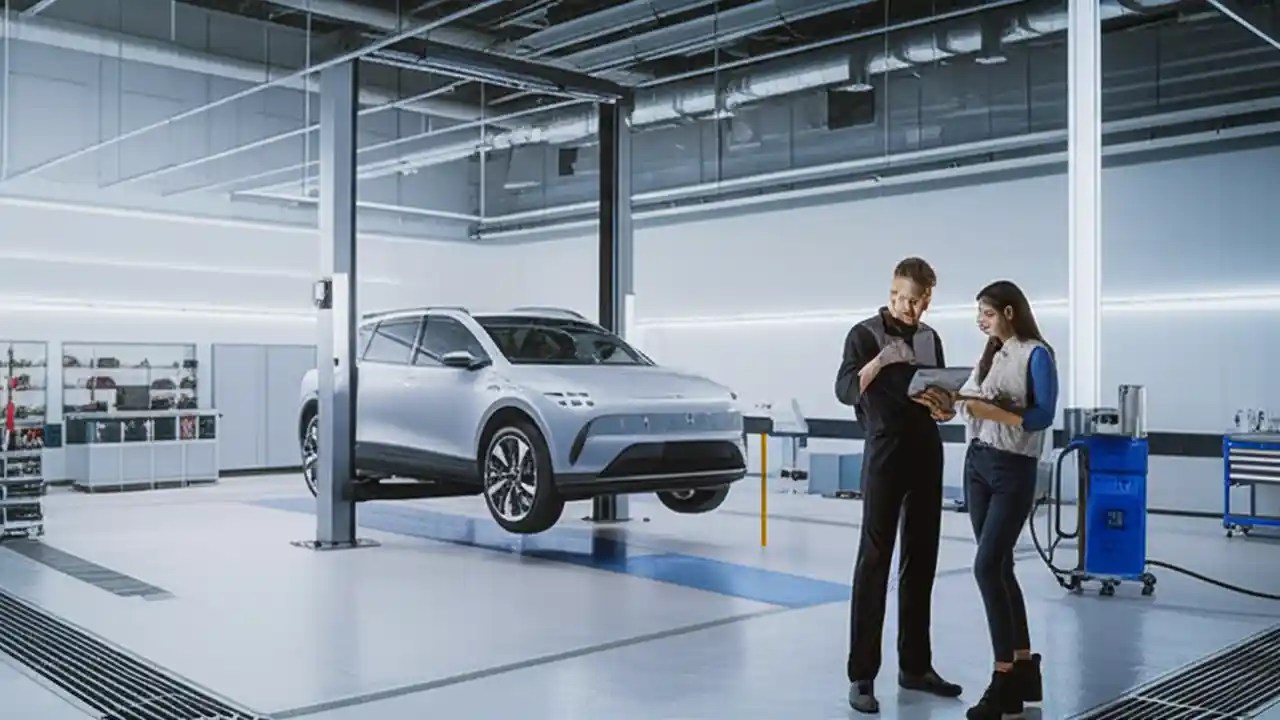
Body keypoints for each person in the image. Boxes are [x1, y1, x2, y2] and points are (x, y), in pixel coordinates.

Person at [834, 257, 963, 714]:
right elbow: (846, 390)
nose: (911, 309)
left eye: (920, 302)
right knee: (874, 560)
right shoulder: (864, 334)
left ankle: (915, 666)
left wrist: (946, 408)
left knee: (922, 559)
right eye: (905, 300)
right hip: (885, 453)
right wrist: (882, 360)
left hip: (926, 450)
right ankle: (862, 676)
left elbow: (940, 398)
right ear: (892, 292)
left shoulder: (931, 338)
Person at [953, 280, 1058, 720]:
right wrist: (951, 403)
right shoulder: (992, 355)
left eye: (988, 312)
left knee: (986, 566)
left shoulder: (1037, 354)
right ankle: (1024, 668)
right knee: (1001, 567)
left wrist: (992, 411)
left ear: (1010, 312)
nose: (981, 320)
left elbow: (1043, 415)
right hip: (978, 463)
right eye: (979, 313)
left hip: (1013, 468)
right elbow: (973, 405)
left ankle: (1004, 683)